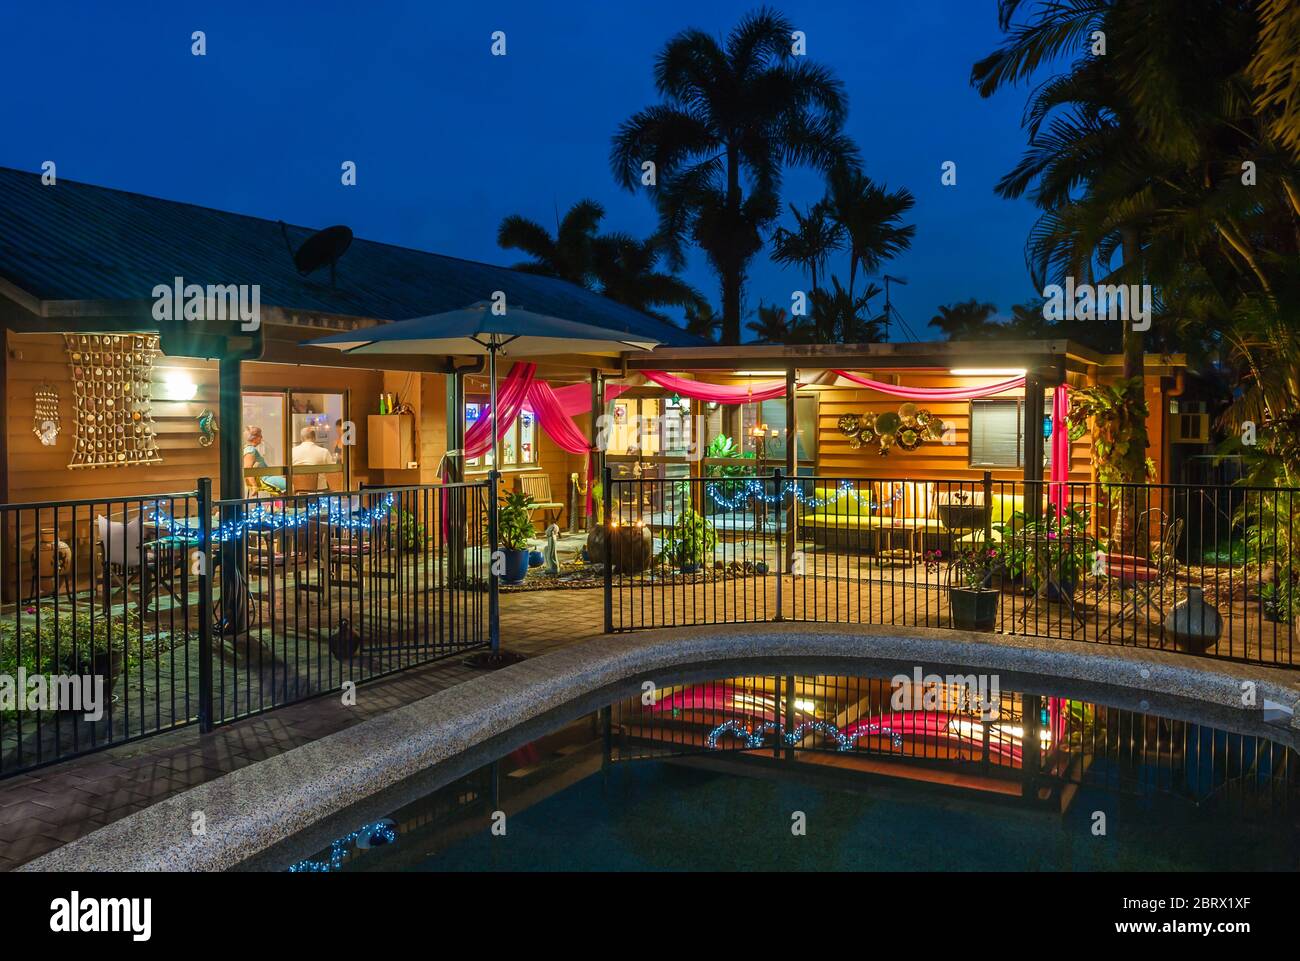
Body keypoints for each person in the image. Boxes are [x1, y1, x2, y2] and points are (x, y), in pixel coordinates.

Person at [243, 426, 286, 494]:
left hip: (266, 478)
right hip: (266, 479)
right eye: (260, 435)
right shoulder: (250, 450)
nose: (261, 437)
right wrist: (254, 486)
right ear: (254, 438)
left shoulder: (248, 449)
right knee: (290, 485)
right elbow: (248, 469)